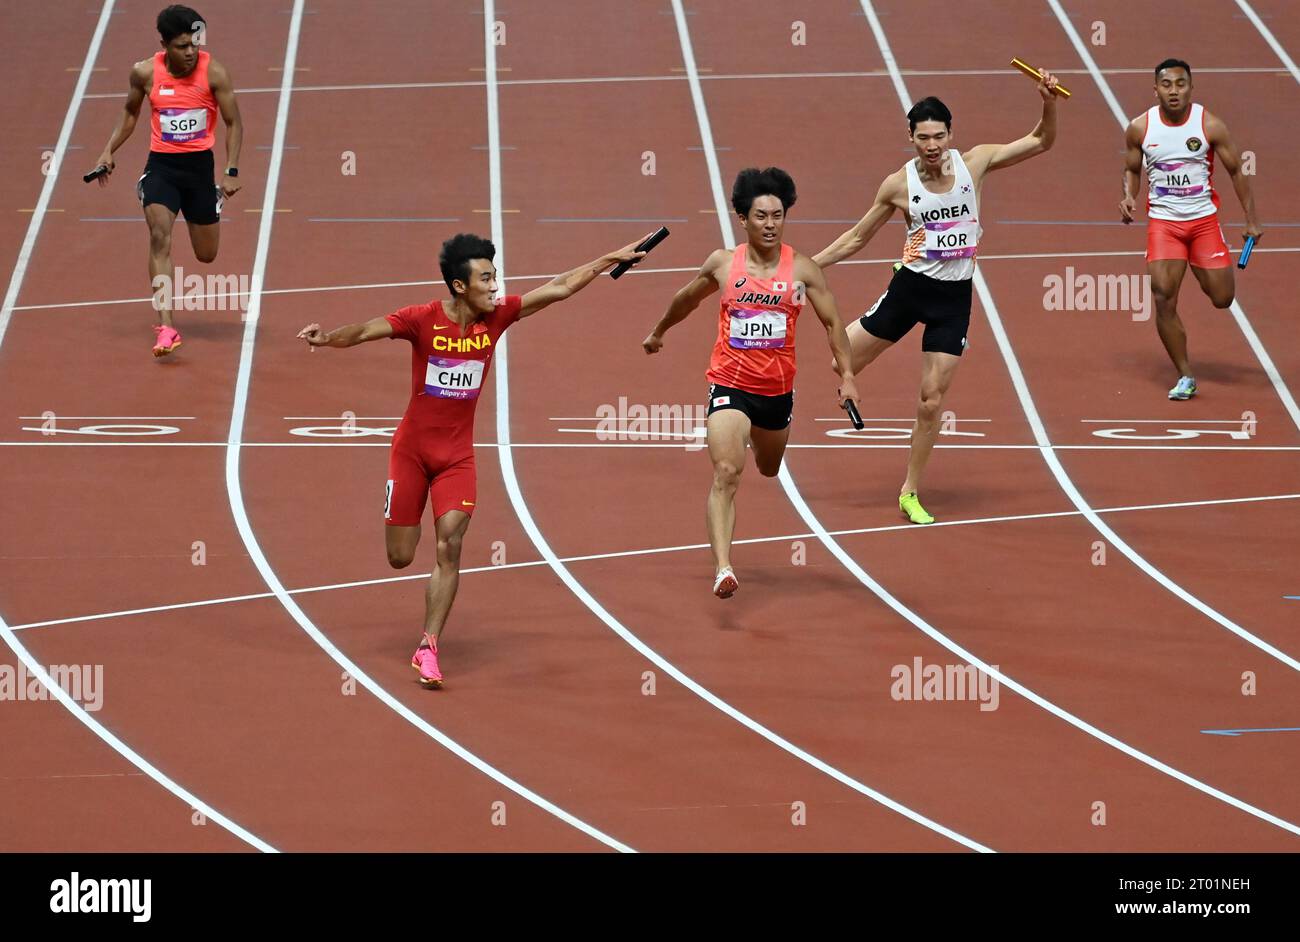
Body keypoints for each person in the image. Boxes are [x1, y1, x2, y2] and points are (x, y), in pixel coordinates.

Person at [297, 233, 645, 687]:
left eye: (495, 276)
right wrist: (326, 340)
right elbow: (363, 332)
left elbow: (558, 288)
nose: (495, 286)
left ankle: (428, 646)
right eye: (486, 278)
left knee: (450, 543)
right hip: (411, 454)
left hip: (457, 458)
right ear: (460, 287)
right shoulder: (421, 320)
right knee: (400, 557)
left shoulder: (497, 318)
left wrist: (609, 258)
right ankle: (406, 521)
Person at [813, 72, 1061, 524]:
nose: (932, 145)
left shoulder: (976, 163)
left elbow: (1041, 141)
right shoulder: (898, 185)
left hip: (953, 299)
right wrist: (808, 268)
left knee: (931, 400)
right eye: (923, 137)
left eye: (939, 136)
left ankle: (910, 490)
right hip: (910, 289)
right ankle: (849, 375)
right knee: (840, 360)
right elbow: (855, 238)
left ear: (952, 134)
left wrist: (1048, 102)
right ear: (910, 137)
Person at [643, 168, 860, 598]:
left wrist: (849, 376)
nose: (770, 224)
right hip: (729, 384)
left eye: (777, 215)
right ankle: (723, 568)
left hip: (776, 393)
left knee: (768, 467)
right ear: (743, 218)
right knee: (726, 471)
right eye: (761, 215)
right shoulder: (725, 264)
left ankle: (766, 450)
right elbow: (686, 297)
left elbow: (834, 324)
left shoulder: (802, 271)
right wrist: (659, 331)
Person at [93, 5, 244, 357]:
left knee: (206, 255)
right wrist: (108, 150)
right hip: (162, 168)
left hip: (200, 171)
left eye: (194, 43)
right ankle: (167, 327)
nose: (190, 52)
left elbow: (234, 122)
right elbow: (130, 112)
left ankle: (213, 200)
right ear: (164, 44)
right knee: (160, 236)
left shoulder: (214, 73)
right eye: (181, 46)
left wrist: (231, 170)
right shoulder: (145, 72)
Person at [1120, 58, 1263, 400]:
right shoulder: (1140, 128)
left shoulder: (1210, 125)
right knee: (1162, 295)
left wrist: (1251, 219)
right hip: (1164, 224)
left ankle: (1201, 267)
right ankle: (1185, 375)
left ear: (1191, 87)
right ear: (1155, 89)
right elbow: (1132, 169)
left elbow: (1236, 172)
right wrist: (1128, 195)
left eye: (1180, 84)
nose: (1174, 91)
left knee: (1222, 298)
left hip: (1202, 223)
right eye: (1166, 85)